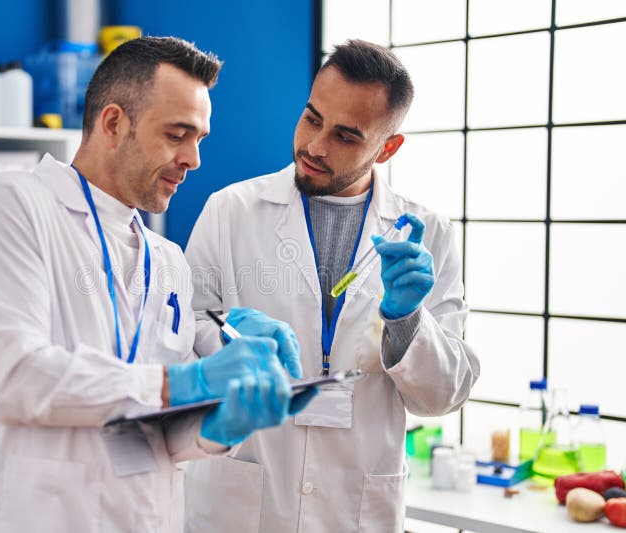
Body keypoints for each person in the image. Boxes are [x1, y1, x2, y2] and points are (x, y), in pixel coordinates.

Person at [0, 37, 310, 533]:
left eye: (200, 139)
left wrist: (218, 424)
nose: (194, 159)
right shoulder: (14, 206)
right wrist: (186, 382)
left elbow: (154, 427)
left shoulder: (167, 261)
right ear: (114, 123)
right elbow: (15, 376)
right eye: (177, 134)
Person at [184, 39, 481, 532]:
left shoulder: (426, 233)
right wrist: (228, 337)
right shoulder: (230, 210)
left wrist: (407, 320)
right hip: (244, 494)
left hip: (356, 503)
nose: (315, 146)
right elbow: (180, 332)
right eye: (312, 118)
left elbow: (442, 397)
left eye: (346, 136)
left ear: (387, 147)